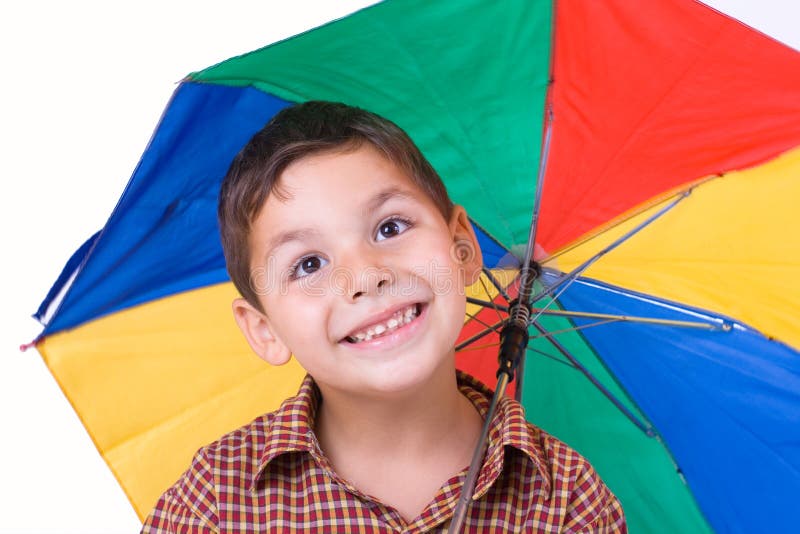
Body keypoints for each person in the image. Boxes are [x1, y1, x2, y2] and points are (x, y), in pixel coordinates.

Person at [141, 101, 626, 533]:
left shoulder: (568, 501)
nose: (365, 276)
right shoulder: (215, 505)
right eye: (309, 264)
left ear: (461, 247)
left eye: (390, 227)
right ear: (264, 330)